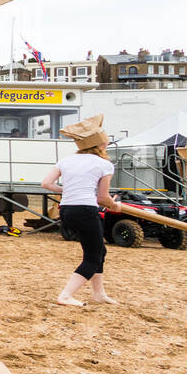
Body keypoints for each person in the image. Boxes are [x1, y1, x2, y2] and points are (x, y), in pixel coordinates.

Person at [42, 115, 120, 306]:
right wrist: (115, 205)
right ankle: (65, 296)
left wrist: (67, 190)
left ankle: (98, 294)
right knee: (93, 257)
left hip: (67, 210)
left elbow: (46, 183)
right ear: (101, 145)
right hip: (86, 210)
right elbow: (102, 198)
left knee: (99, 251)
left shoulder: (66, 161)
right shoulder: (104, 164)